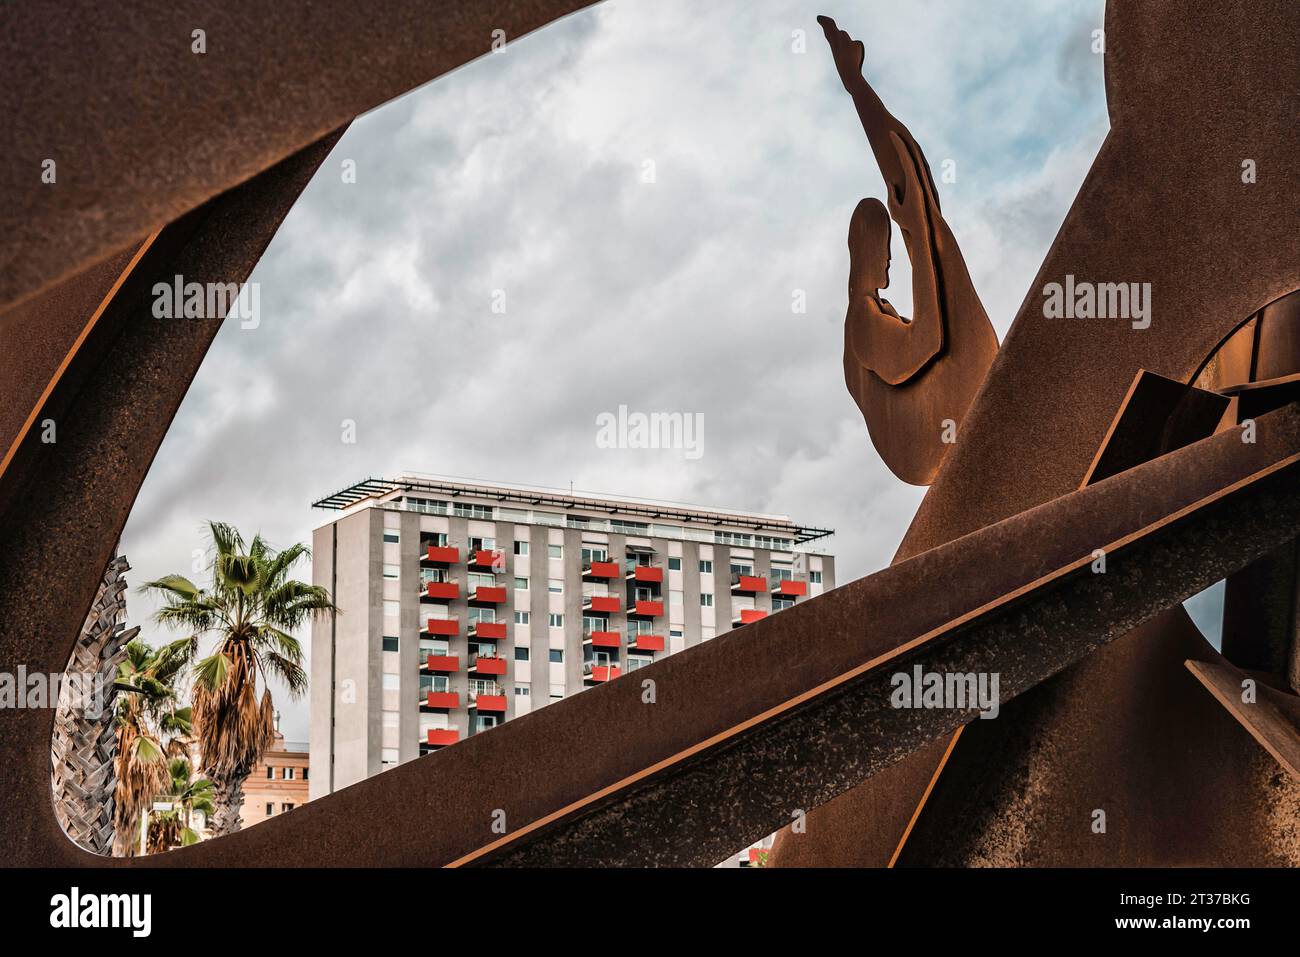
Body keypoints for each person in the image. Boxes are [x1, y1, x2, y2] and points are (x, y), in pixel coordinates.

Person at [820, 15, 999, 486]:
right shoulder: (861, 319)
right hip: (938, 434)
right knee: (920, 211)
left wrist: (858, 88)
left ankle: (864, 99)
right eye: (885, 247)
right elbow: (929, 341)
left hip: (943, 419)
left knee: (920, 206)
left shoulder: (870, 315)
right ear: (867, 251)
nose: (890, 260)